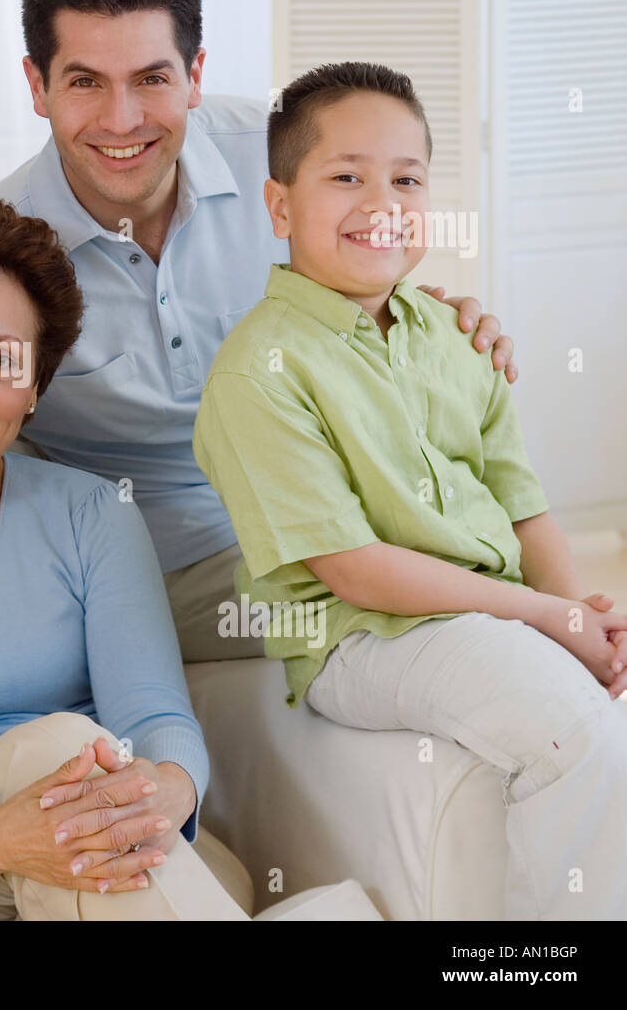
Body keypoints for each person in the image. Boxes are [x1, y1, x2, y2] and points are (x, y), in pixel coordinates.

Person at [0, 194, 380, 920]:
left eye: (2, 357)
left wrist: (168, 791)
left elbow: (154, 713)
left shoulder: (93, 511)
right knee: (63, 746)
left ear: (34, 387)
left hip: (130, 843)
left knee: (80, 778)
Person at [0, 0, 519, 661]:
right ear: (36, 85)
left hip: (351, 511)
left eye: (151, 79)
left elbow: (371, 279)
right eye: (84, 82)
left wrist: (428, 320)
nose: (120, 120)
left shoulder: (285, 160)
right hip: (165, 565)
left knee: (486, 605)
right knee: (450, 639)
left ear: (195, 74)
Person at [193, 60, 627, 920]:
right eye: (345, 176)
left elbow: (523, 503)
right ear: (281, 207)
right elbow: (353, 570)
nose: (379, 201)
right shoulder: (259, 369)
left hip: (480, 612)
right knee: (566, 732)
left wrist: (583, 614)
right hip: (363, 638)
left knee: (601, 697)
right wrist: (545, 618)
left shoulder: (456, 333)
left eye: (406, 179)